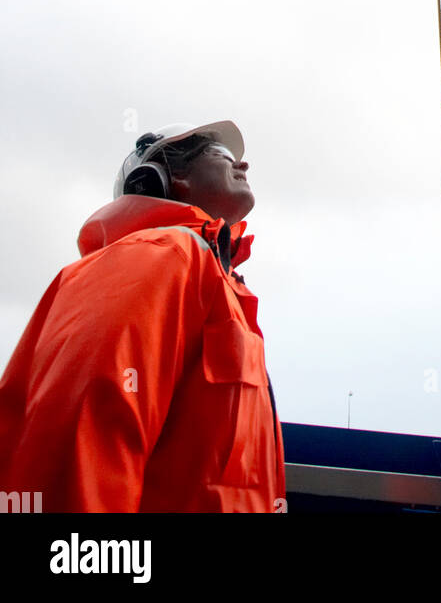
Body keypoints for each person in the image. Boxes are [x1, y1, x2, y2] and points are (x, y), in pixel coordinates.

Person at [0, 121, 284, 512]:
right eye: (222, 157)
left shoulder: (219, 284)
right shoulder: (159, 255)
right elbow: (83, 431)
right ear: (171, 177)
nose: (244, 166)